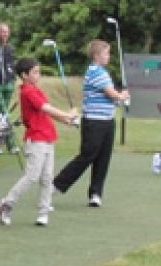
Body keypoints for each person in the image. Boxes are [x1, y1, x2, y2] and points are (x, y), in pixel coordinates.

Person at [0, 58, 78, 227]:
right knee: (32, 176)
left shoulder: (36, 90)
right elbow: (45, 108)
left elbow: (48, 112)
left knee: (47, 178)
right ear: (24, 75)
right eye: (35, 72)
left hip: (47, 138)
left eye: (39, 71)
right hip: (36, 139)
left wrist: (67, 120)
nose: (38, 75)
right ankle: (6, 204)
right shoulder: (27, 92)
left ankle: (43, 213)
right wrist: (68, 114)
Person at [52, 39, 130, 207]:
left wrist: (120, 98)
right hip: (94, 122)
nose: (109, 56)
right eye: (106, 53)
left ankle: (95, 193)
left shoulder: (103, 71)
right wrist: (122, 96)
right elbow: (111, 93)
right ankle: (56, 185)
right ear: (96, 55)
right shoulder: (95, 71)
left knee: (103, 158)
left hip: (107, 121)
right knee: (87, 156)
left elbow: (110, 98)